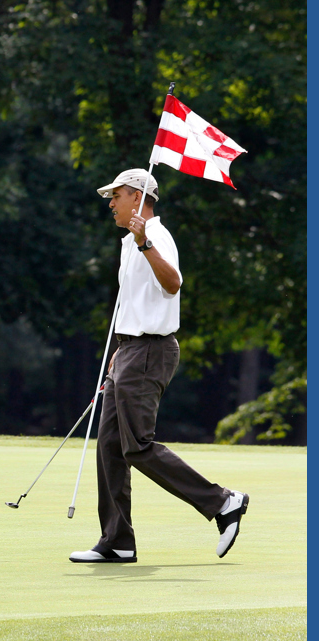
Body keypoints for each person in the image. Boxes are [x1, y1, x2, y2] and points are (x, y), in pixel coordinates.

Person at [70, 169, 248, 563]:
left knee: (137, 445)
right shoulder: (130, 242)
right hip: (131, 350)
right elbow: (138, 304)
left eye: (116, 195)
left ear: (137, 196)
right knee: (110, 447)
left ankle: (223, 502)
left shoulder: (155, 236)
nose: (111, 203)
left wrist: (145, 242)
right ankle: (117, 541)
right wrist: (121, 349)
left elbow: (172, 283)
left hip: (151, 351)